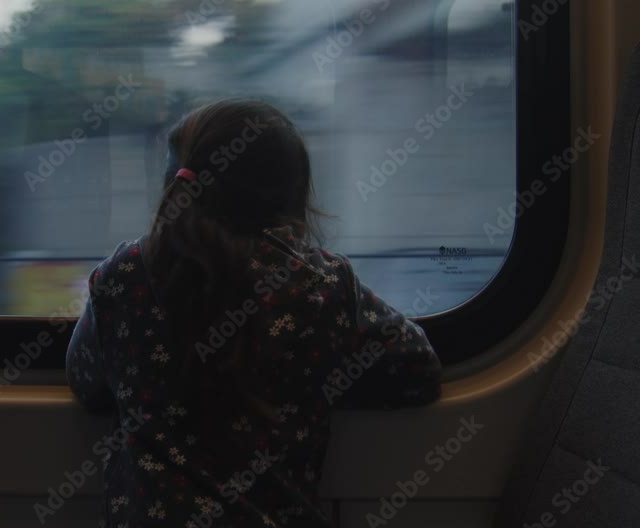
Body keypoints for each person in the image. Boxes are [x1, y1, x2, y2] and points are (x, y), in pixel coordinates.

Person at [66, 98, 442, 527]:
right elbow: (418, 371)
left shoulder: (124, 275)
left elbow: (86, 382)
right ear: (291, 199)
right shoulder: (321, 286)